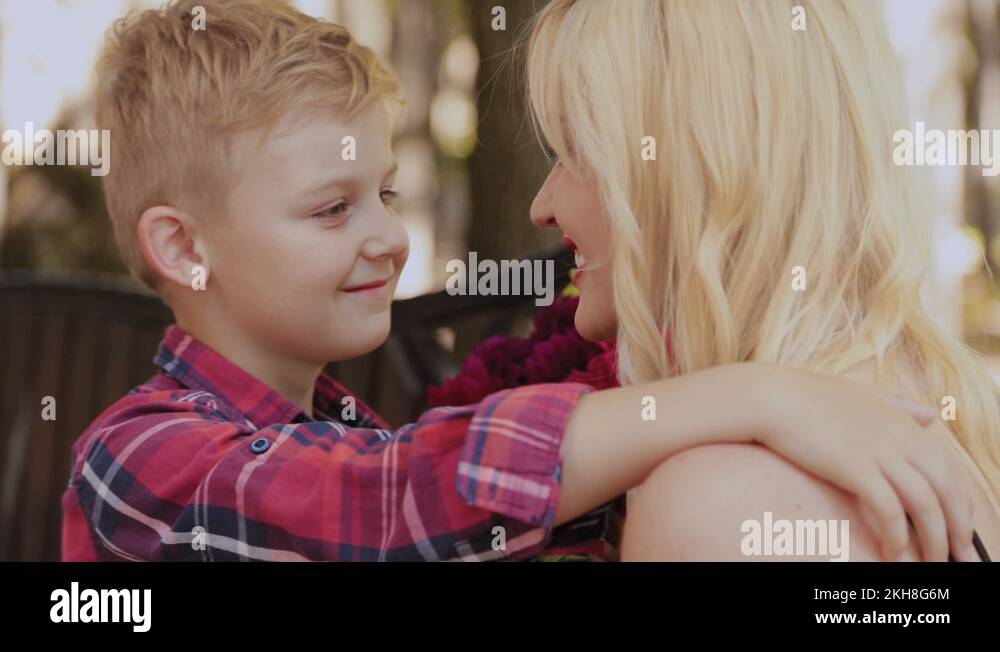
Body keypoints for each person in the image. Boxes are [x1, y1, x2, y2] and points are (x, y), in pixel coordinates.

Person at [62, 0, 975, 562]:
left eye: (383, 194)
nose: (387, 238)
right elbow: (388, 502)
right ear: (183, 248)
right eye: (332, 210)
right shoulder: (141, 457)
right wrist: (753, 395)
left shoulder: (341, 432)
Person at [523, 0, 999, 561]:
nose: (541, 207)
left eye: (574, 149)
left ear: (691, 168)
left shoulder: (713, 504)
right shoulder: (956, 415)